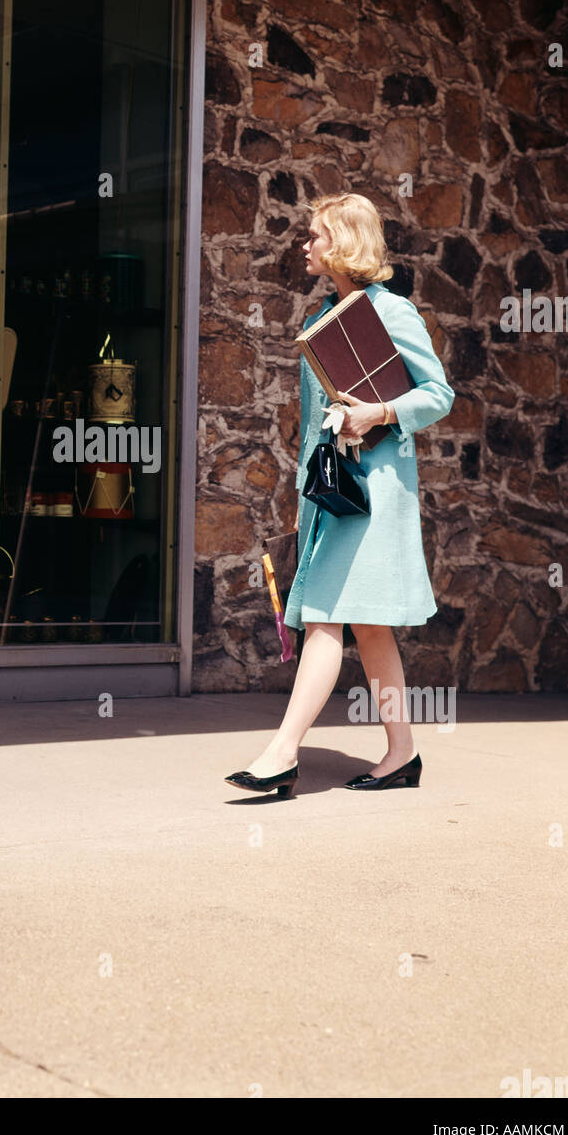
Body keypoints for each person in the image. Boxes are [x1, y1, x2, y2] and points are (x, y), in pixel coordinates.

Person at [226, 192, 454, 796]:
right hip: (334, 492)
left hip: (376, 494)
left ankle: (281, 754)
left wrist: (378, 412)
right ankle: (402, 754)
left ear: (344, 243)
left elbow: (438, 395)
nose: (305, 245)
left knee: (325, 617)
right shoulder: (320, 317)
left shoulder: (393, 311)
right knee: (370, 627)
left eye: (315, 236)